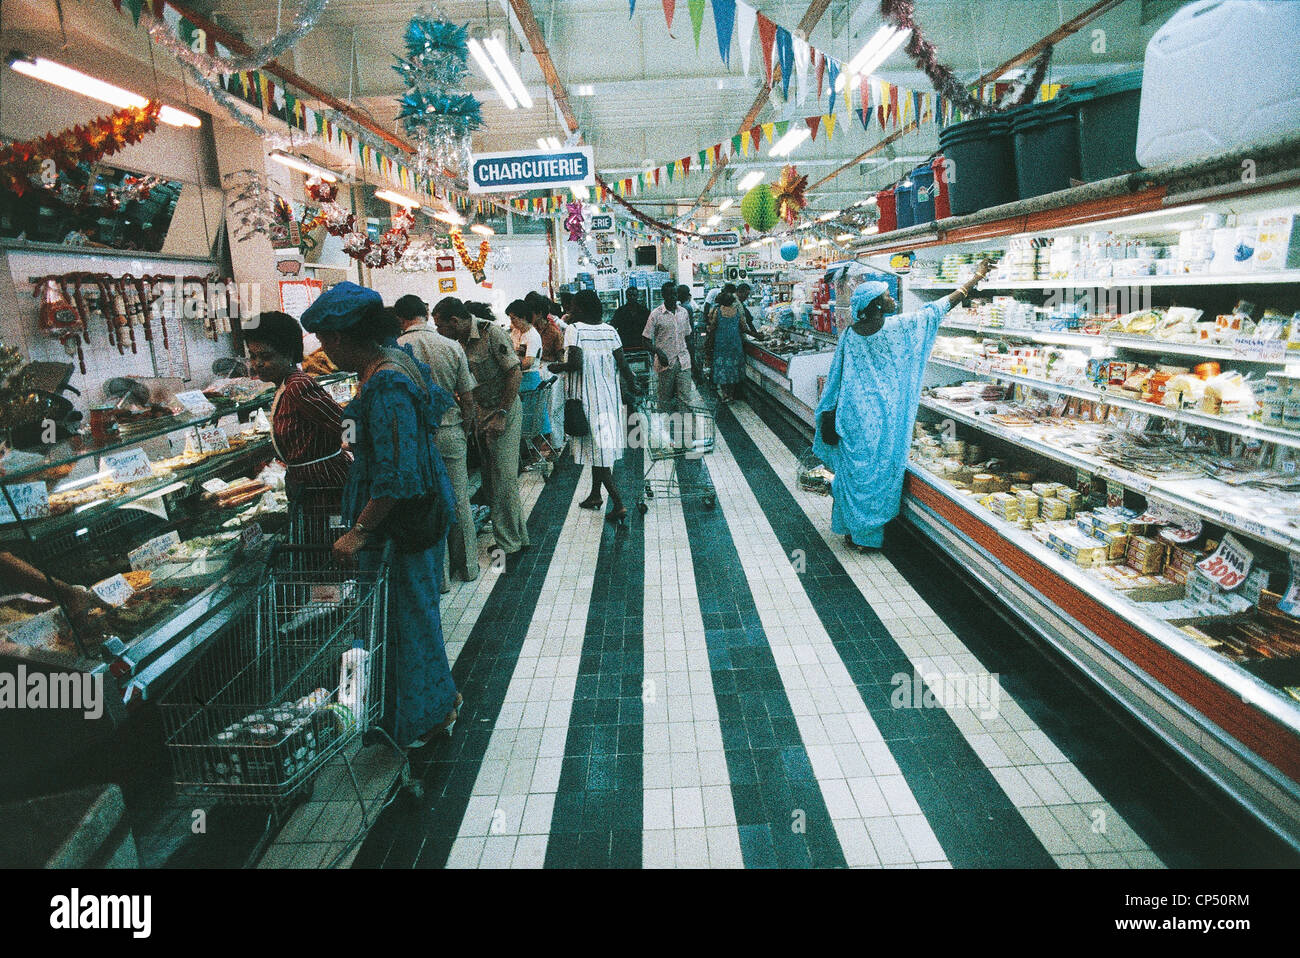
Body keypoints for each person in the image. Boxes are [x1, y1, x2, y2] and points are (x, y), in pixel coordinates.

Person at [300, 282, 462, 748]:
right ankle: (428, 706)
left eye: (329, 339)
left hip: (400, 525)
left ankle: (427, 715)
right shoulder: (392, 363)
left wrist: (358, 530)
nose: (325, 350)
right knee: (410, 618)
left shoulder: (387, 383)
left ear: (354, 336)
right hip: (414, 516)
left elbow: (398, 475)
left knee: (407, 622)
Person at [814, 261, 993, 553]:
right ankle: (867, 536)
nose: (892, 299)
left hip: (853, 418)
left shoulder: (849, 336)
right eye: (886, 296)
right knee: (878, 473)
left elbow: (835, 379)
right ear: (875, 304)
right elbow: (937, 309)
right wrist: (975, 278)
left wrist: (827, 413)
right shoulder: (898, 328)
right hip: (882, 419)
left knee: (852, 475)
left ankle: (851, 529)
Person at [432, 296, 531, 558]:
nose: (439, 332)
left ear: (454, 321)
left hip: (504, 409)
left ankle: (508, 544)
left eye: (440, 326)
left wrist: (501, 413)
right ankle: (518, 535)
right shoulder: (458, 343)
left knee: (503, 476)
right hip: (481, 412)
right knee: (491, 478)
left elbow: (514, 373)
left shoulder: (492, 333)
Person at [394, 294, 480, 587]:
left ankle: (439, 579)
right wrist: (465, 430)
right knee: (459, 501)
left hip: (416, 439)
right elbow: (468, 399)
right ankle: (468, 567)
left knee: (429, 506)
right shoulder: (451, 346)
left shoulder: (397, 350)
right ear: (426, 314)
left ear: (400, 319)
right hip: (451, 431)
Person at [244, 310, 351, 512]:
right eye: (253, 356)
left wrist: (352, 449)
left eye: (266, 356)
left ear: (289, 353)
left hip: (324, 485)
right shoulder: (284, 384)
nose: (257, 364)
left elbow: (344, 422)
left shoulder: (298, 385)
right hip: (306, 484)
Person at [548, 289, 640, 524]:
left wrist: (558, 368)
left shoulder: (574, 330)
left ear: (582, 308)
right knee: (600, 451)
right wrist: (632, 387)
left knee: (598, 454)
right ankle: (595, 495)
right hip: (609, 400)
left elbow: (575, 363)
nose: (570, 310)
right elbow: (624, 365)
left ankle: (618, 503)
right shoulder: (610, 330)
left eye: (574, 306)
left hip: (587, 402)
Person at [643, 281, 693, 419]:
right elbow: (645, 340)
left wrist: (694, 360)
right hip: (666, 364)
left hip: (683, 362)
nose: (673, 297)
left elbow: (688, 336)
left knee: (685, 399)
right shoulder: (656, 314)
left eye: (675, 294)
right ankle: (664, 433)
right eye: (670, 294)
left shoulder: (683, 312)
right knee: (664, 400)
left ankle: (685, 432)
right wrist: (658, 352)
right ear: (663, 295)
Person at [508, 299, 550, 462]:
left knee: (534, 418)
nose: (511, 322)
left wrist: (512, 362)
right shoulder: (515, 333)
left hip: (530, 378)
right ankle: (527, 452)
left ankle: (535, 452)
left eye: (514, 318)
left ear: (524, 317)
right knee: (522, 418)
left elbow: (528, 362)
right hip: (518, 378)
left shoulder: (532, 336)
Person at [706, 291, 745, 403]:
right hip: (735, 344)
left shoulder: (717, 311)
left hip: (721, 344)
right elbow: (743, 326)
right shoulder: (737, 311)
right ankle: (731, 394)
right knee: (733, 368)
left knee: (722, 368)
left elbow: (712, 327)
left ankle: (725, 394)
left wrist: (709, 336)